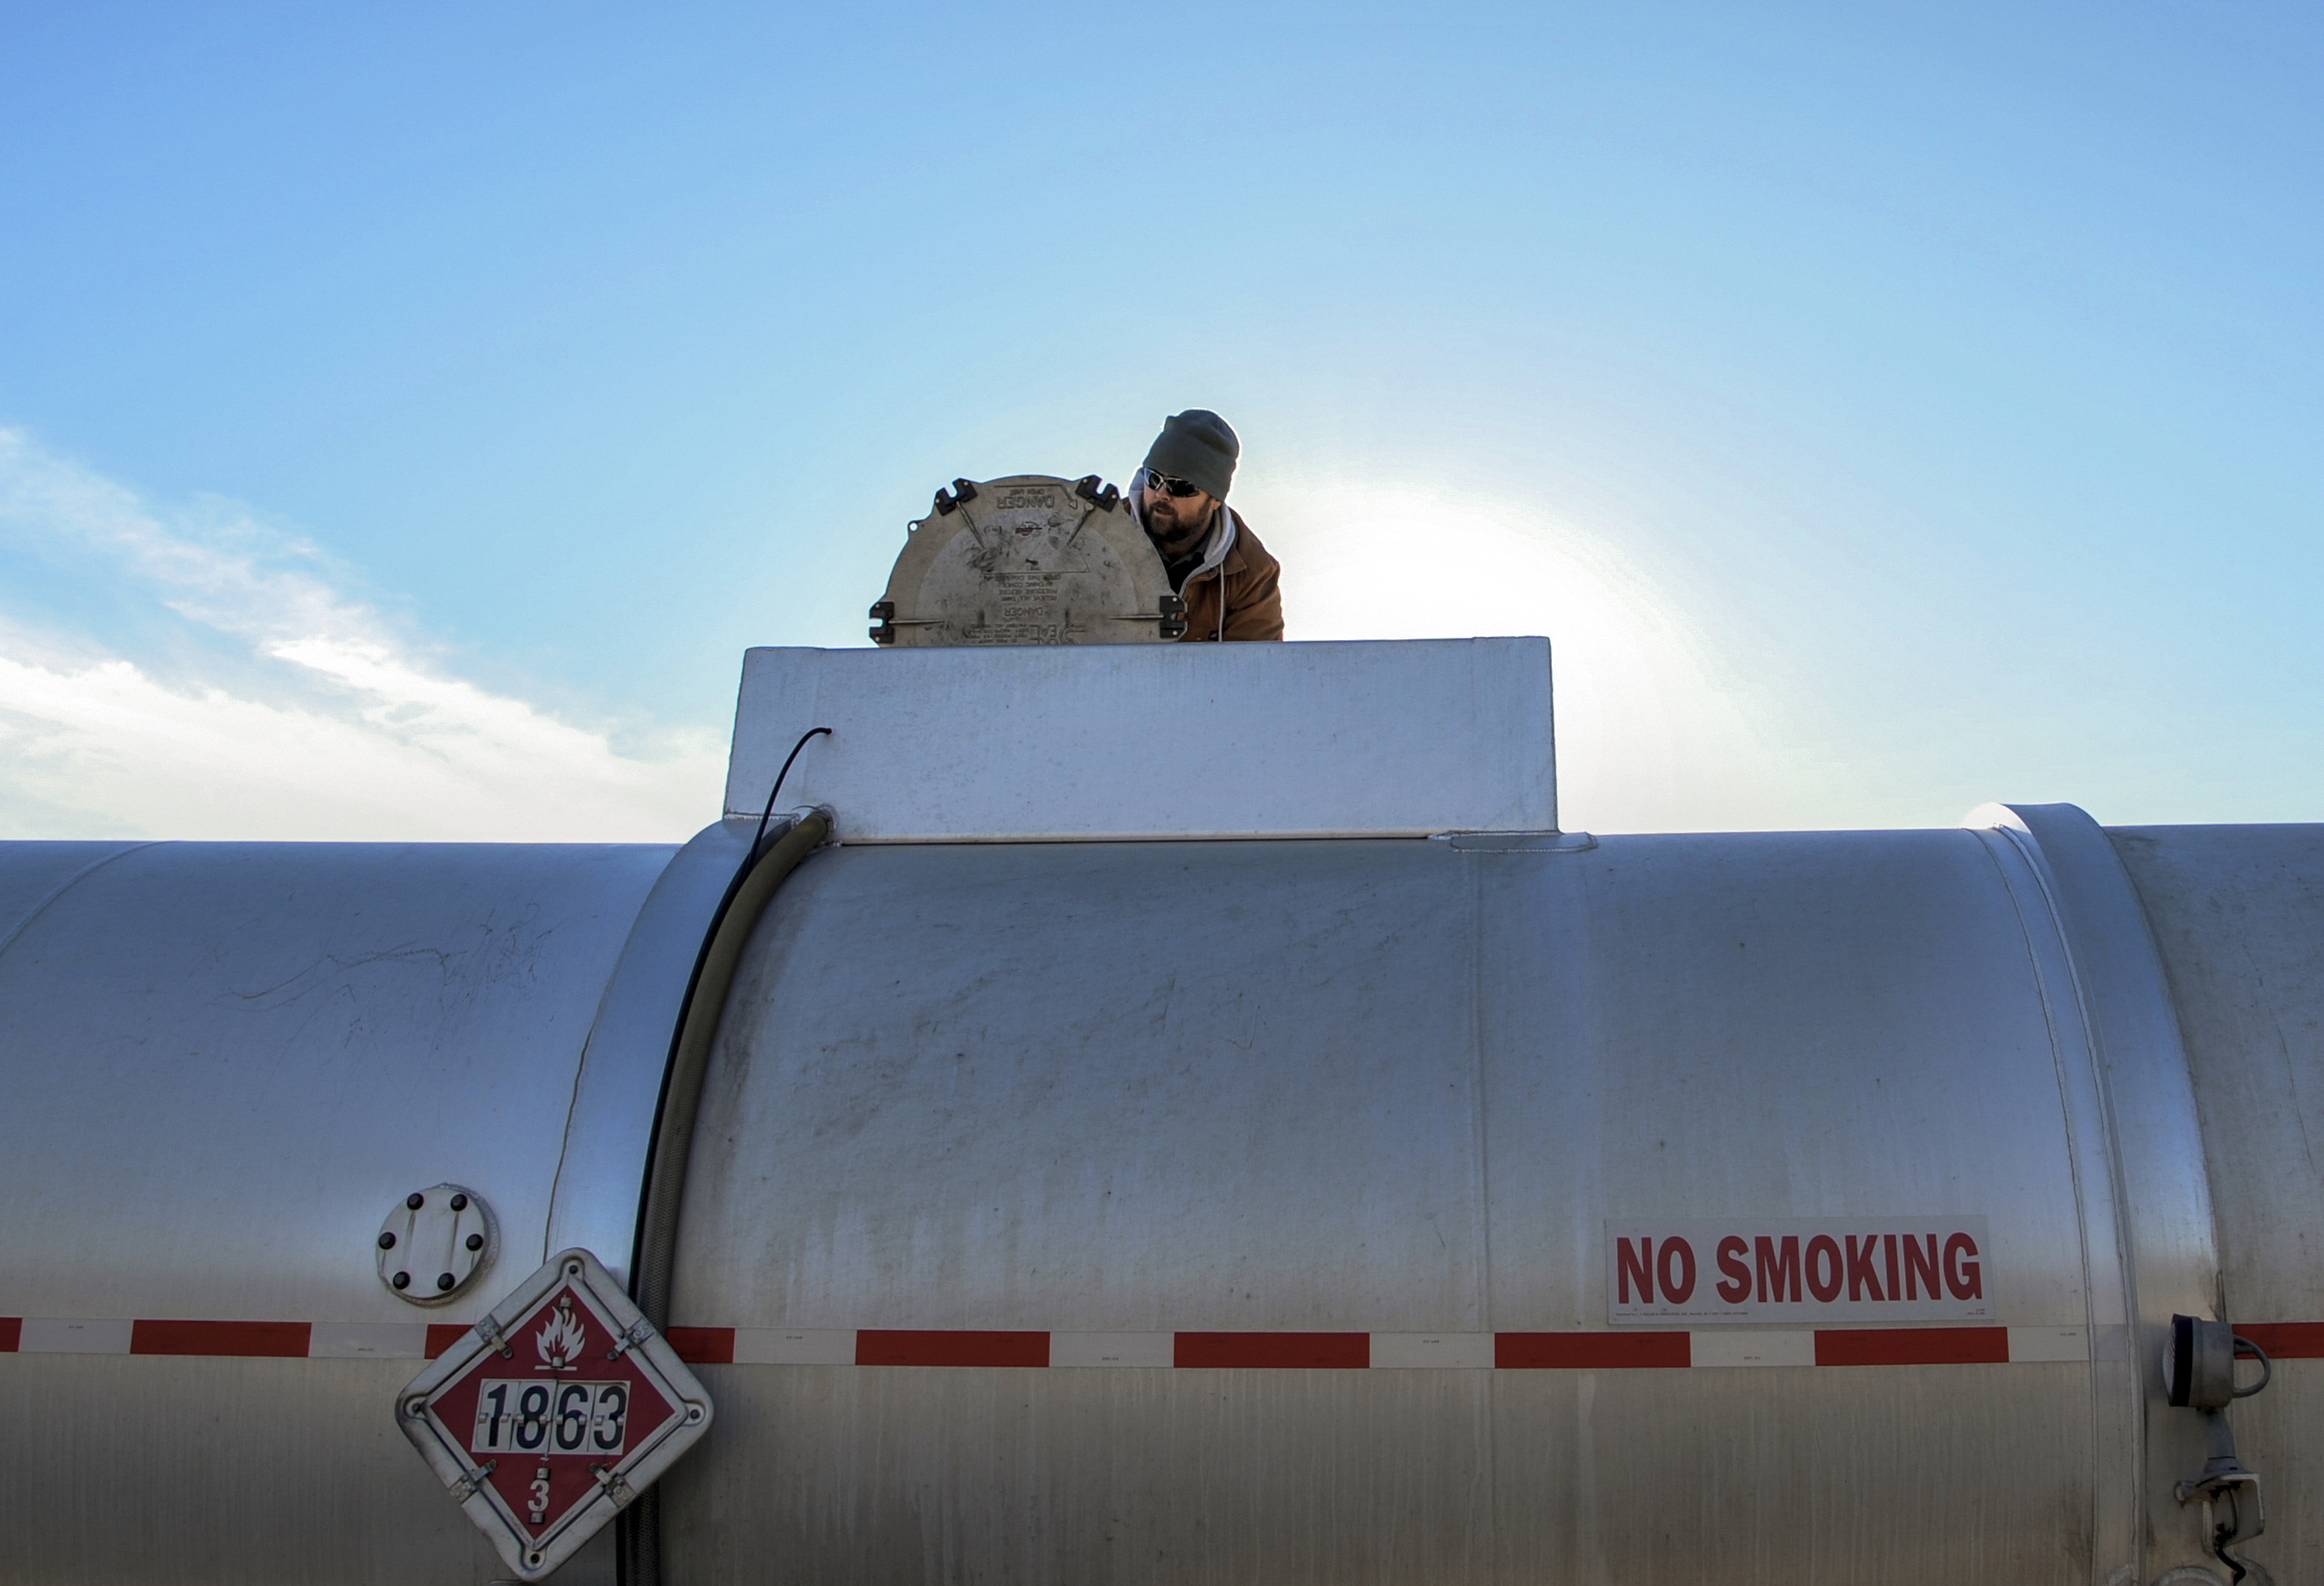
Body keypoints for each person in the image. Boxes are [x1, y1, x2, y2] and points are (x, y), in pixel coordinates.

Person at [1130, 410, 1283, 641]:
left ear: (1215, 500)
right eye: (1153, 478)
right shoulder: (1096, 533)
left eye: (1180, 486)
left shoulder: (1252, 573)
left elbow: (1255, 671)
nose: (1161, 494)